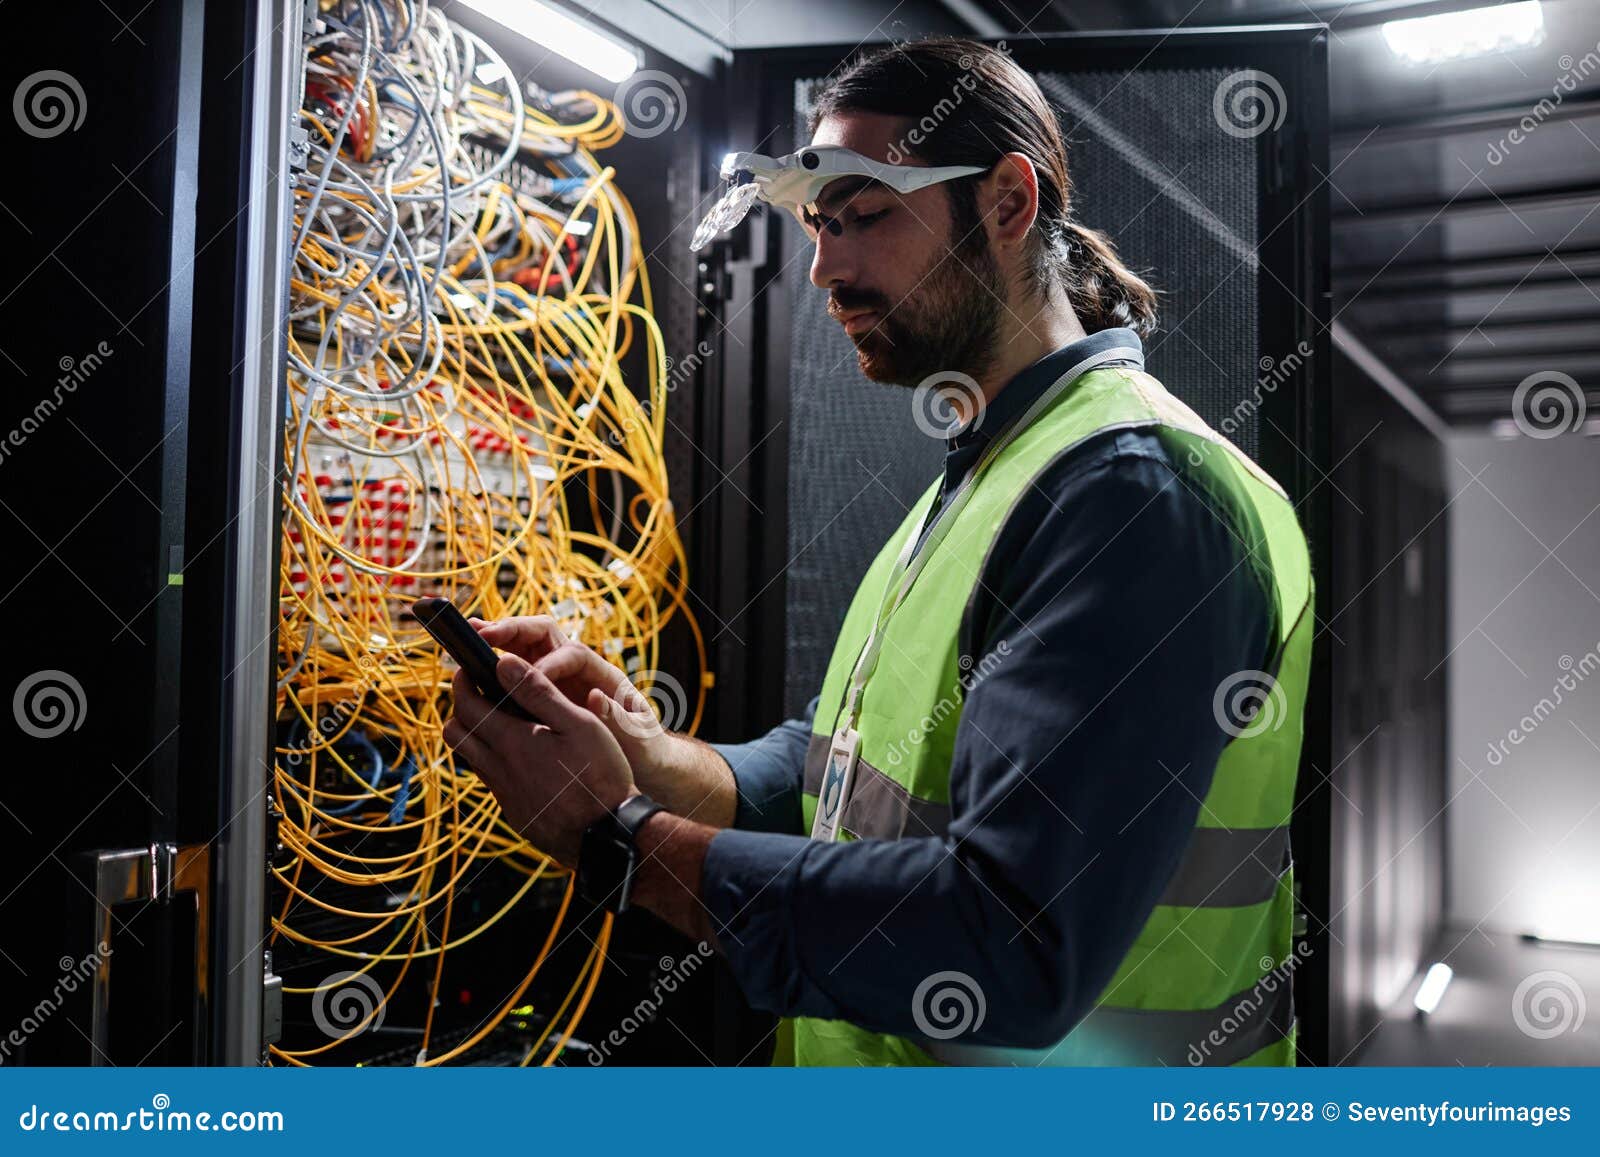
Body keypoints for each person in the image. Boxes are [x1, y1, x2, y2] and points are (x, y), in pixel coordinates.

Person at [440, 38, 1312, 1067]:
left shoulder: (1132, 495)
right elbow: (845, 765)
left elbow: (1008, 944)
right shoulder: (995, 471)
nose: (824, 266)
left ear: (1006, 201)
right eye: (816, 224)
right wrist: (647, 756)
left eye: (862, 214)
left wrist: (616, 837)